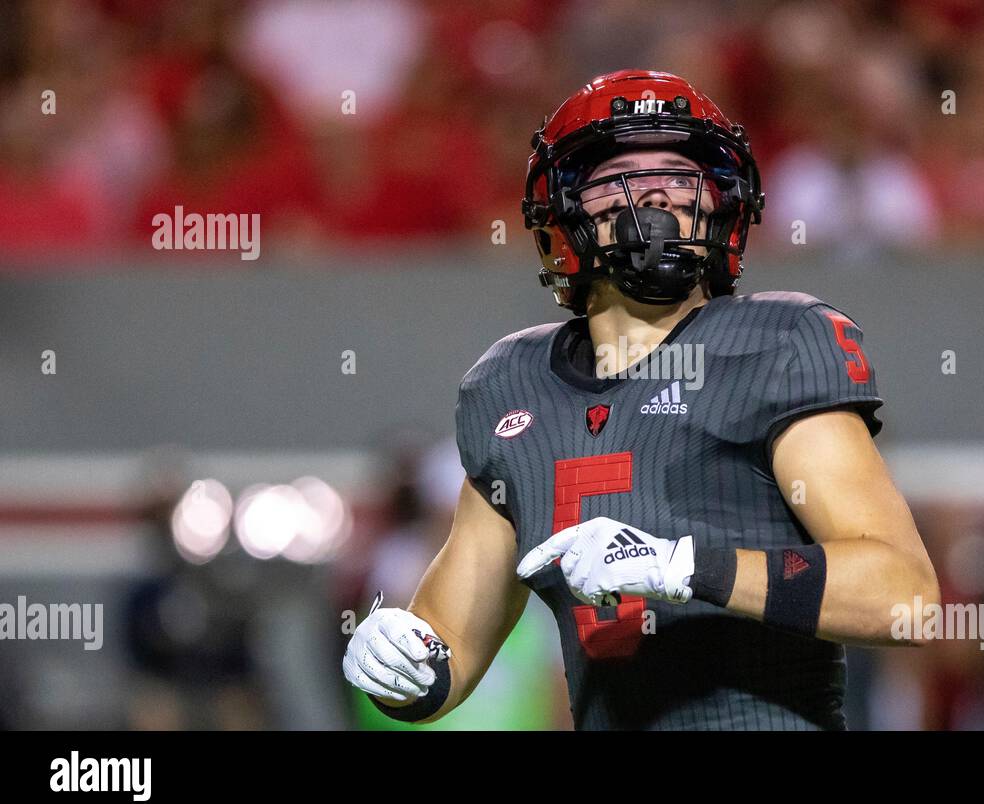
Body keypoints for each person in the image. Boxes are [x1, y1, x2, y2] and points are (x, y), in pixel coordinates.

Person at [343, 69, 938, 730]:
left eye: (682, 173)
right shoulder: (511, 386)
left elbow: (903, 594)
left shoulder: (774, 344)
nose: (655, 188)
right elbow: (448, 643)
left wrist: (684, 566)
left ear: (720, 203)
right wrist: (397, 659)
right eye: (619, 171)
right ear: (563, 214)